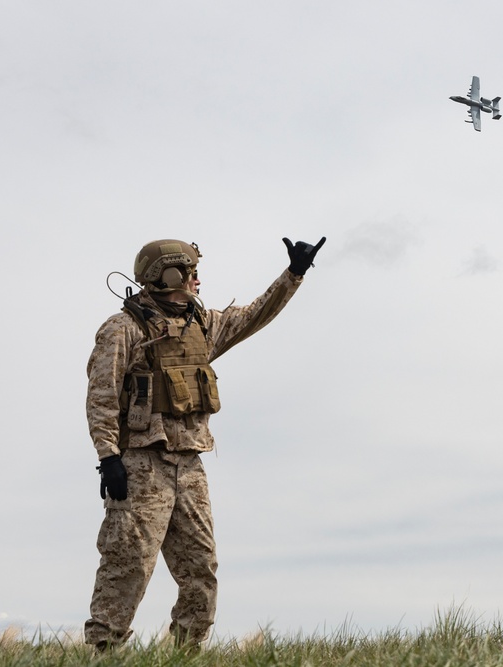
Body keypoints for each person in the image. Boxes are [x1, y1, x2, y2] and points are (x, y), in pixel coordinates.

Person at [84, 236, 325, 651]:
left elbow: (254, 315)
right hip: (142, 464)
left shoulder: (202, 325)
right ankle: (103, 652)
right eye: (191, 272)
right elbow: (101, 397)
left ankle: (187, 653)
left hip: (190, 465)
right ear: (169, 275)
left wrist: (293, 274)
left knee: (200, 567)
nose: (197, 279)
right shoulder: (122, 329)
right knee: (128, 564)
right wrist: (109, 458)